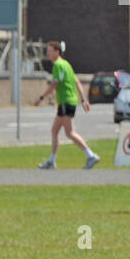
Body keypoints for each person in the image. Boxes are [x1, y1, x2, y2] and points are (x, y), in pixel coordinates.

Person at [35, 40, 100, 170]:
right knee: (54, 131)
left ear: (57, 52)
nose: (47, 53)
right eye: (47, 50)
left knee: (70, 133)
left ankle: (91, 155)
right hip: (68, 102)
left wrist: (41, 97)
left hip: (66, 102)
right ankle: (52, 161)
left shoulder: (58, 65)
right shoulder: (66, 64)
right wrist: (83, 100)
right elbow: (77, 82)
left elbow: (54, 84)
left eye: (49, 50)